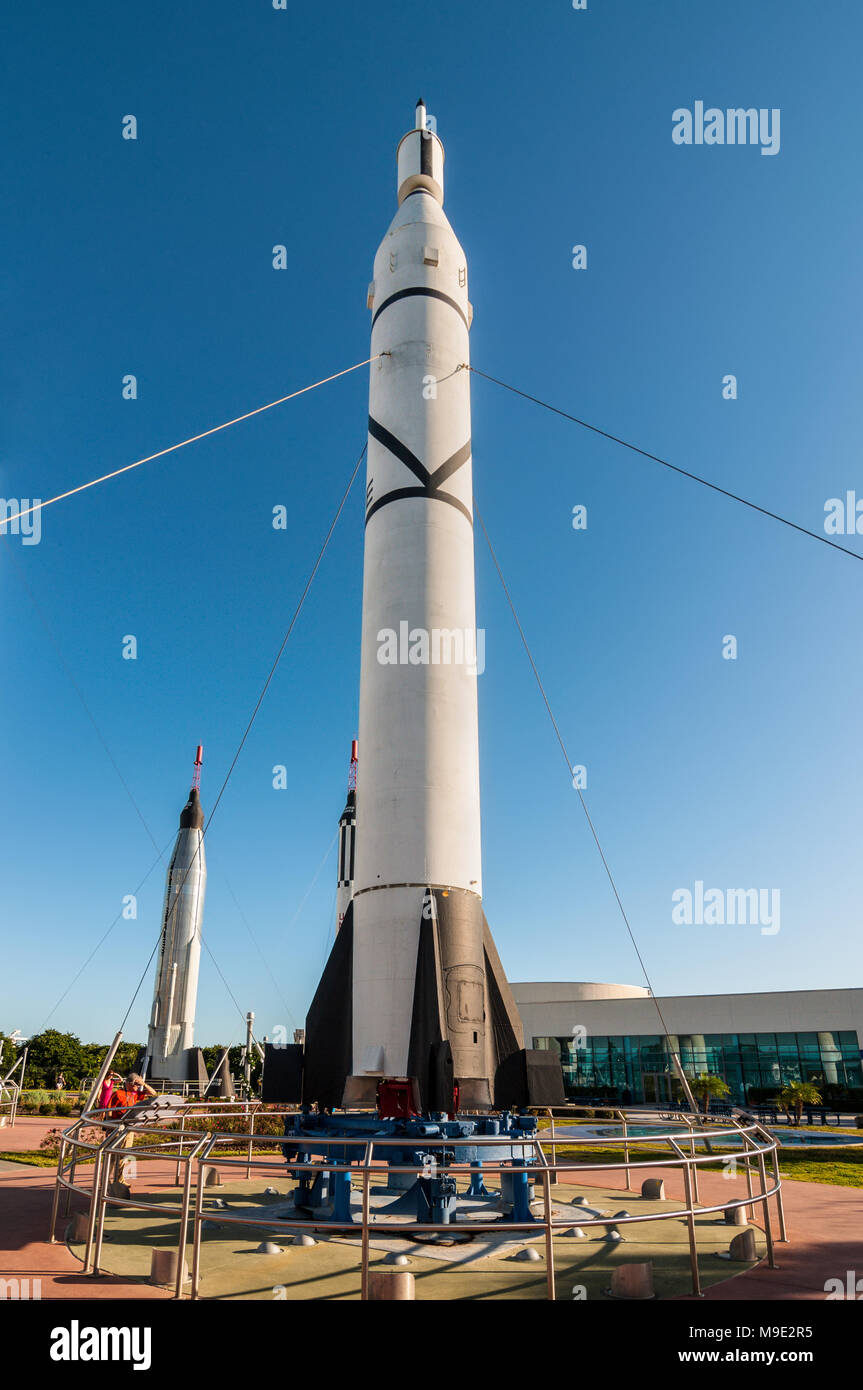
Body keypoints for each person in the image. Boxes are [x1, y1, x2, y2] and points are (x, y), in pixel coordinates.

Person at [108, 1073, 157, 1185]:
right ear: (128, 1084)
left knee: (124, 1154)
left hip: (129, 1127)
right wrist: (109, 1128)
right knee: (111, 1155)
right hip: (118, 1126)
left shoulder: (135, 1093)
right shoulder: (118, 1094)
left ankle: (119, 1180)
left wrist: (143, 1084)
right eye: (135, 1084)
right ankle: (104, 1179)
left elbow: (153, 1094)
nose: (137, 1087)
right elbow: (109, 1111)